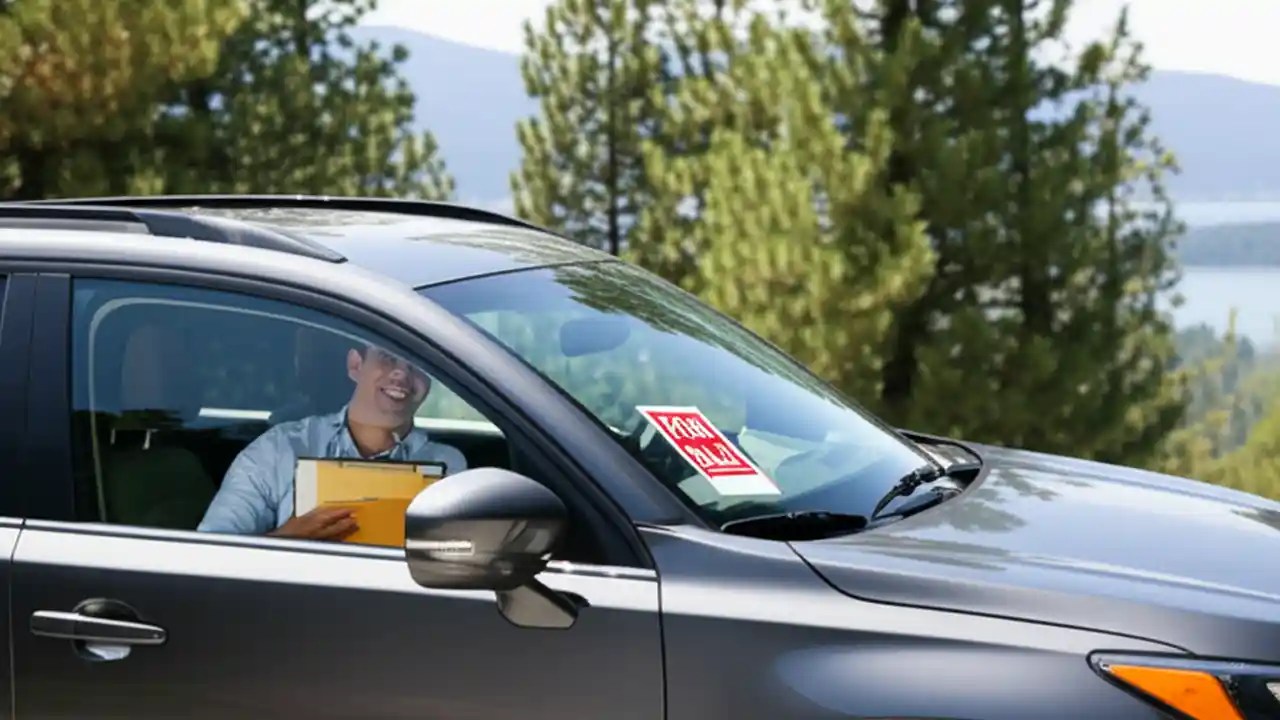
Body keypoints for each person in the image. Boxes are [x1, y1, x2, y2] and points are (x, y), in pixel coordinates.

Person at [198, 343, 467, 540]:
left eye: (417, 365)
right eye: (388, 357)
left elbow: (460, 562)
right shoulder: (279, 449)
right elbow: (211, 552)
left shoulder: (447, 466)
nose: (402, 375)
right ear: (356, 365)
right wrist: (287, 540)